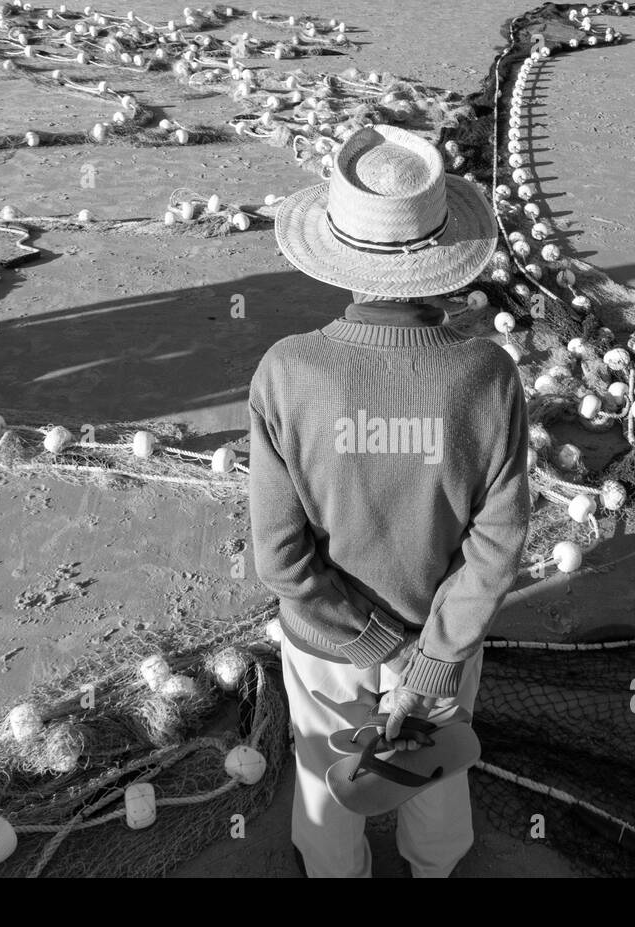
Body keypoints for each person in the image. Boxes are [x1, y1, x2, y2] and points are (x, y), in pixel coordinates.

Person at [248, 124, 530, 878]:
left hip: (325, 644)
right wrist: (428, 659)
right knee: (433, 771)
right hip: (442, 641)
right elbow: (498, 545)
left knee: (326, 779)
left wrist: (375, 644)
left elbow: (280, 558)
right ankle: (434, 872)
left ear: (337, 252)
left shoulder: (286, 371)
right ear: (444, 255)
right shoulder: (487, 375)